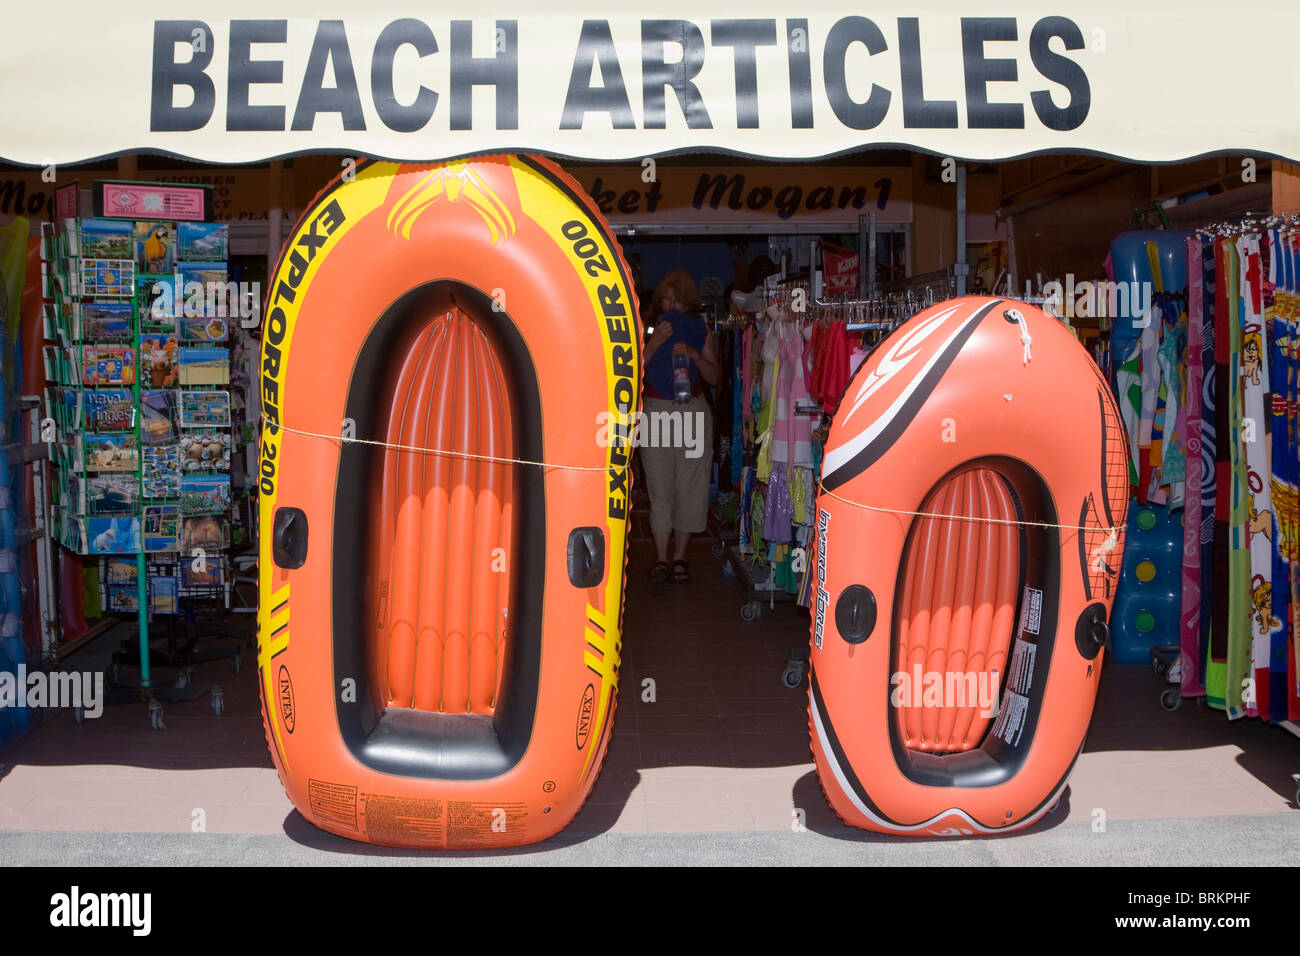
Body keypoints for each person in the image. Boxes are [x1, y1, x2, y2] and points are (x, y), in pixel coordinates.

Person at [640, 271, 719, 584]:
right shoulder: (649, 328)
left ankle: (680, 557)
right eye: (666, 300)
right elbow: (632, 370)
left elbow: (713, 377)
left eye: (677, 300)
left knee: (691, 484)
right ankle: (661, 558)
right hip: (656, 409)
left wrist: (696, 355)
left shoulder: (701, 331)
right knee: (659, 487)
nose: (671, 305)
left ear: (687, 304)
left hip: (692, 410)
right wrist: (655, 341)